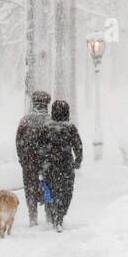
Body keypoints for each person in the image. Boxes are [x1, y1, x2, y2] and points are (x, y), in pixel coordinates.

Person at [40, 100, 83, 233]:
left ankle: (52, 214)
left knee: (49, 191)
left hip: (50, 165)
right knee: (66, 192)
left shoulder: (46, 127)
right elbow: (78, 145)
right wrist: (78, 160)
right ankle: (60, 215)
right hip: (65, 166)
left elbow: (39, 147)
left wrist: (42, 162)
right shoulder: (70, 128)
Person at [16, 90, 51, 226]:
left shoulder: (25, 120)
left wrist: (22, 159)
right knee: (48, 187)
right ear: (46, 104)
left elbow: (18, 141)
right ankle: (49, 216)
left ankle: (33, 217)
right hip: (47, 162)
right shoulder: (50, 120)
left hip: (29, 162)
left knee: (30, 188)